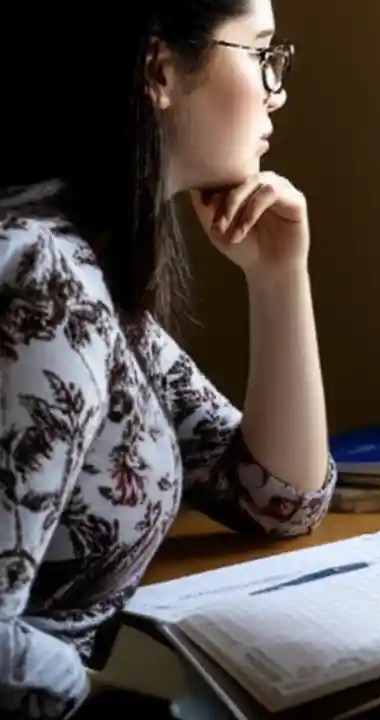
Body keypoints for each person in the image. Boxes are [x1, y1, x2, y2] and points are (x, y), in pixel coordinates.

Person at [0, 1, 335, 716]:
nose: (279, 90)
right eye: (259, 52)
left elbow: (279, 499)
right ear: (159, 70)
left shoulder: (90, 278)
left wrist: (279, 277)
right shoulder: (42, 282)